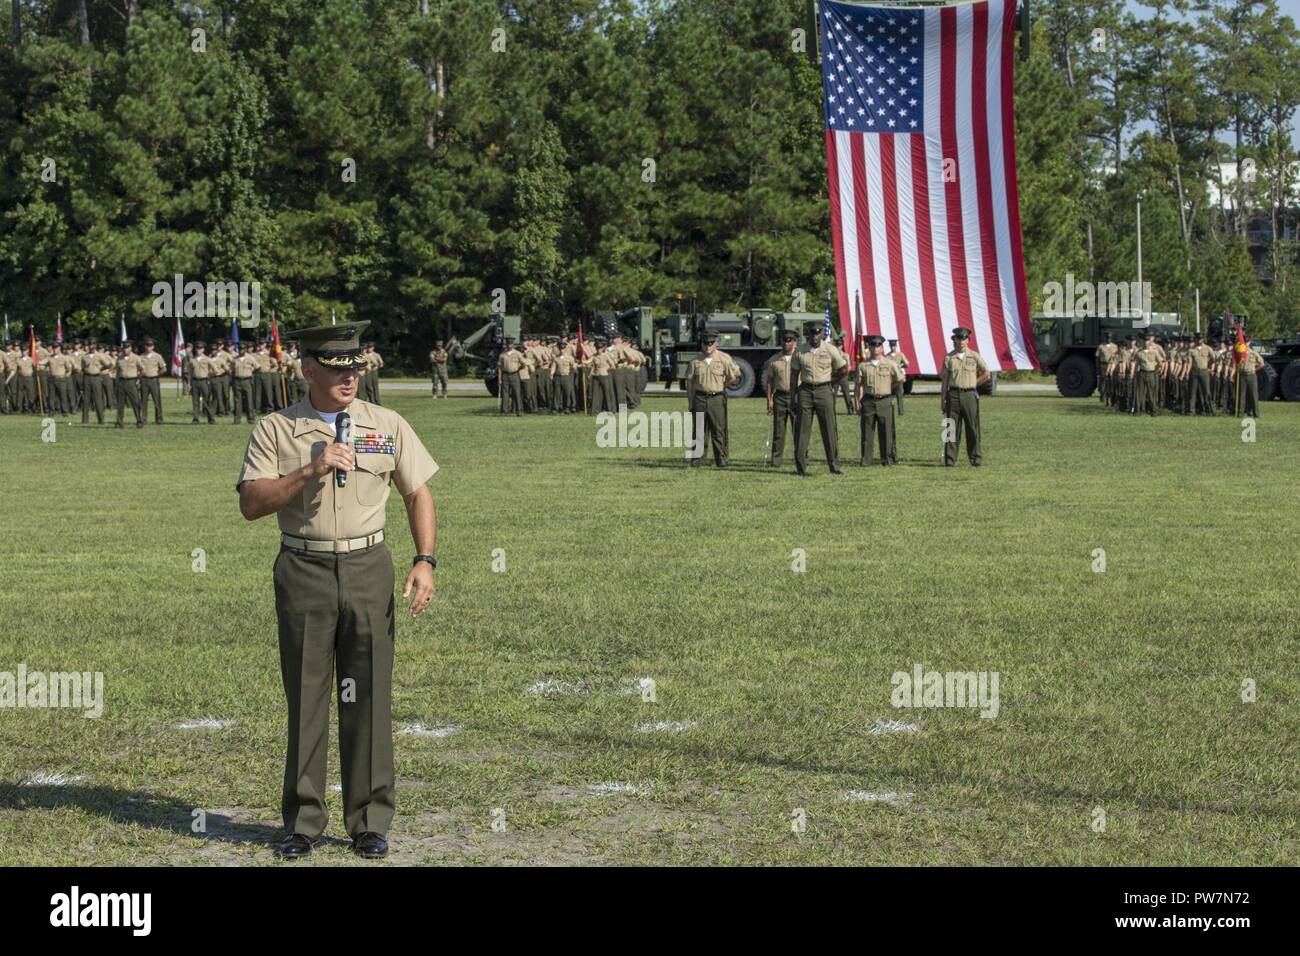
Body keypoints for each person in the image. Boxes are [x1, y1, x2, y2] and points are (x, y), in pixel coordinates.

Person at [236, 321, 438, 861]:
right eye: (335, 369)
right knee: (307, 696)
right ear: (307, 370)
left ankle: (369, 821)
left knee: (367, 693)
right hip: (304, 568)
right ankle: (303, 822)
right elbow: (252, 503)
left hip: (369, 566)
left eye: (355, 368)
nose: (349, 378)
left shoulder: (387, 423)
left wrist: (424, 560)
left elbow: (417, 493)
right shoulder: (277, 429)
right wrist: (310, 469)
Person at [791, 324, 848, 476]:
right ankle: (801, 467)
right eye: (812, 333)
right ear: (808, 335)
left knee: (829, 428)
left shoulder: (830, 349)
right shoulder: (800, 350)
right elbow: (794, 375)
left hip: (824, 390)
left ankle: (834, 466)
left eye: (818, 333)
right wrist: (792, 396)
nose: (815, 336)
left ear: (822, 334)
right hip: (805, 390)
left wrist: (831, 380)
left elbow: (844, 369)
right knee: (802, 430)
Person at [686, 331, 739, 467]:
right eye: (705, 343)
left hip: (716, 399)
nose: (708, 346)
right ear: (701, 344)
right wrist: (691, 402)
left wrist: (721, 386)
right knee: (699, 430)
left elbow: (733, 376)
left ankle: (720, 458)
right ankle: (697, 458)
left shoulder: (723, 358)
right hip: (700, 398)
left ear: (716, 344)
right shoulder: (695, 361)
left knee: (718, 430)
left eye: (711, 343)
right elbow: (690, 382)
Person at [939, 327, 989, 466]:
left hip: (969, 396)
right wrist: (942, 400)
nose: (961, 341)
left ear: (968, 340)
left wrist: (974, 383)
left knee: (972, 428)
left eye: (964, 338)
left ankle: (975, 458)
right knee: (951, 428)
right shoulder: (949, 358)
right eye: (959, 338)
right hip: (953, 395)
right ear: (954, 340)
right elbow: (945, 381)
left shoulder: (974, 356)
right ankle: (950, 459)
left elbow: (986, 373)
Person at [857, 335, 903, 466]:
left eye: (878, 346)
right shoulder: (863, 365)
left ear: (882, 348)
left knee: (886, 431)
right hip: (868, 400)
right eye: (872, 345)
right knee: (867, 431)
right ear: (869, 347)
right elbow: (859, 385)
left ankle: (887, 459)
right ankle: (866, 459)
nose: (875, 348)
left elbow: (900, 379)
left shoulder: (889, 363)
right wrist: (857, 402)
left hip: (884, 400)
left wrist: (889, 387)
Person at [764, 330, 798, 466]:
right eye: (784, 340)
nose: (786, 343)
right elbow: (770, 381)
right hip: (780, 397)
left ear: (795, 342)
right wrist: (769, 399)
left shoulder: (800, 357)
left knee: (799, 430)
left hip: (796, 396)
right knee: (779, 430)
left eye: (789, 341)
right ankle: (776, 459)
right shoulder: (774, 360)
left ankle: (801, 457)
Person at [114, 340, 145, 429]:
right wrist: (116, 382)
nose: (125, 349)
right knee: (120, 403)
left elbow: (142, 370)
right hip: (121, 382)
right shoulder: (119, 358)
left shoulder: (136, 358)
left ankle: (139, 421)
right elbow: (118, 371)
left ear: (130, 348)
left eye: (127, 348)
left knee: (135, 402)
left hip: (131, 382)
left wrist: (138, 379)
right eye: (124, 348)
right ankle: (119, 422)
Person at [138, 339, 167, 424]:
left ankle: (159, 418)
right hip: (144, 380)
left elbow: (164, 368)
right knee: (143, 400)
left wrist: (157, 374)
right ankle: (143, 418)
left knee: (157, 400)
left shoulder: (157, 356)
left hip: (154, 380)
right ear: (144, 346)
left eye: (150, 346)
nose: (148, 347)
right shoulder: (140, 357)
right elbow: (138, 369)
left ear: (153, 347)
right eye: (147, 345)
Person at [1237, 340, 1266, 418]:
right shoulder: (1240, 352)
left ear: (1249, 342)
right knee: (1242, 395)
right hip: (1242, 375)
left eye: (1247, 342)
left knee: (1253, 395)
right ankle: (1241, 413)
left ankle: (1256, 413)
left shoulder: (1253, 353)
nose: (1245, 343)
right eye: (1244, 342)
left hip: (1251, 375)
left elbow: (1262, 363)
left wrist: (1255, 369)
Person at [232, 343, 259, 424]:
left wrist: (251, 372)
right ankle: (237, 419)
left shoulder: (250, 358)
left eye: (243, 349)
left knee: (249, 400)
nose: (241, 350)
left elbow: (257, 367)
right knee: (237, 401)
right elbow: (231, 369)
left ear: (245, 349)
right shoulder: (235, 359)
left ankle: (250, 418)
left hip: (247, 380)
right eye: (240, 349)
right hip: (237, 380)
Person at [497, 337, 524, 416]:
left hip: (515, 375)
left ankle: (519, 410)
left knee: (517, 393)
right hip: (505, 375)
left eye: (511, 344)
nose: (509, 345)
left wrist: (518, 369)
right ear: (506, 345)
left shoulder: (517, 353)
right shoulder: (502, 354)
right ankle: (504, 411)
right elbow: (500, 367)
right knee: (505, 393)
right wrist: (499, 378)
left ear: (513, 345)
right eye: (508, 344)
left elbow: (523, 363)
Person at [190, 342, 216, 423]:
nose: (198, 350)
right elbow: (190, 371)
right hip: (195, 381)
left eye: (200, 348)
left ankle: (211, 418)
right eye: (197, 348)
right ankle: (196, 418)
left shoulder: (207, 359)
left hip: (204, 381)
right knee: (195, 401)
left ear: (203, 349)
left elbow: (215, 370)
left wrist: (208, 375)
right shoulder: (192, 359)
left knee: (207, 400)